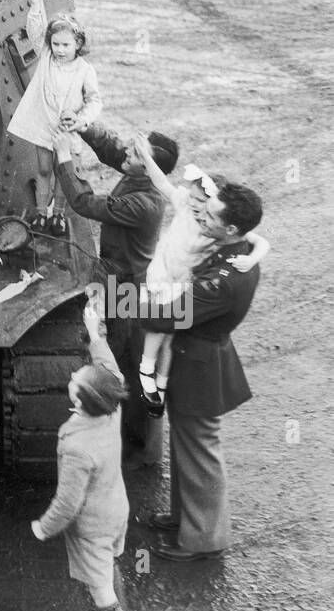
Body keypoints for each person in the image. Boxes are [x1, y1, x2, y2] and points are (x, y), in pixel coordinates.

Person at [140, 179, 263, 562]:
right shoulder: (237, 247)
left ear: (229, 229)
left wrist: (122, 303)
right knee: (185, 448)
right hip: (194, 359)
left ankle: (204, 539)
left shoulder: (222, 283)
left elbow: (168, 317)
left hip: (199, 368)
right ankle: (184, 517)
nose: (200, 215)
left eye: (210, 215)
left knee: (200, 454)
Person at [52, 123, 177, 460]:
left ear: (149, 168)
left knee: (132, 366)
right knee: (118, 355)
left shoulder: (146, 204)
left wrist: (64, 159)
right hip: (118, 276)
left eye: (137, 154)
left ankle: (138, 453)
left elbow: (85, 202)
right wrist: (84, 127)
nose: (127, 153)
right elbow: (112, 149)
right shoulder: (140, 172)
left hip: (130, 289)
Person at [30, 299, 133, 611]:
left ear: (77, 401)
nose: (76, 374)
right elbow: (109, 370)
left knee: (101, 588)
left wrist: (44, 527)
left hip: (92, 524)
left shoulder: (76, 444)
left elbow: (68, 502)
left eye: (78, 379)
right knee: (112, 566)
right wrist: (94, 333)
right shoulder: (111, 403)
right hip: (115, 508)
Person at [132, 136, 269, 414]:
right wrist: (147, 159)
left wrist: (252, 258)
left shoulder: (213, 228)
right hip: (162, 272)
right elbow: (161, 183)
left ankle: (159, 380)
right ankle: (148, 372)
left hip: (180, 280)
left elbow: (258, 240)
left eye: (202, 203)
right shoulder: (187, 207)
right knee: (158, 330)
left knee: (165, 331)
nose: (197, 207)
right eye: (194, 199)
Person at [9, 13, 102, 233]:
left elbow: (95, 101)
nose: (60, 49)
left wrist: (81, 119)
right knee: (43, 169)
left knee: (63, 171)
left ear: (78, 43)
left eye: (66, 45)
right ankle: (41, 213)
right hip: (45, 125)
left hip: (67, 131)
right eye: (55, 44)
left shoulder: (85, 70)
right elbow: (35, 30)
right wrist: (34, 6)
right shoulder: (46, 58)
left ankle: (58, 214)